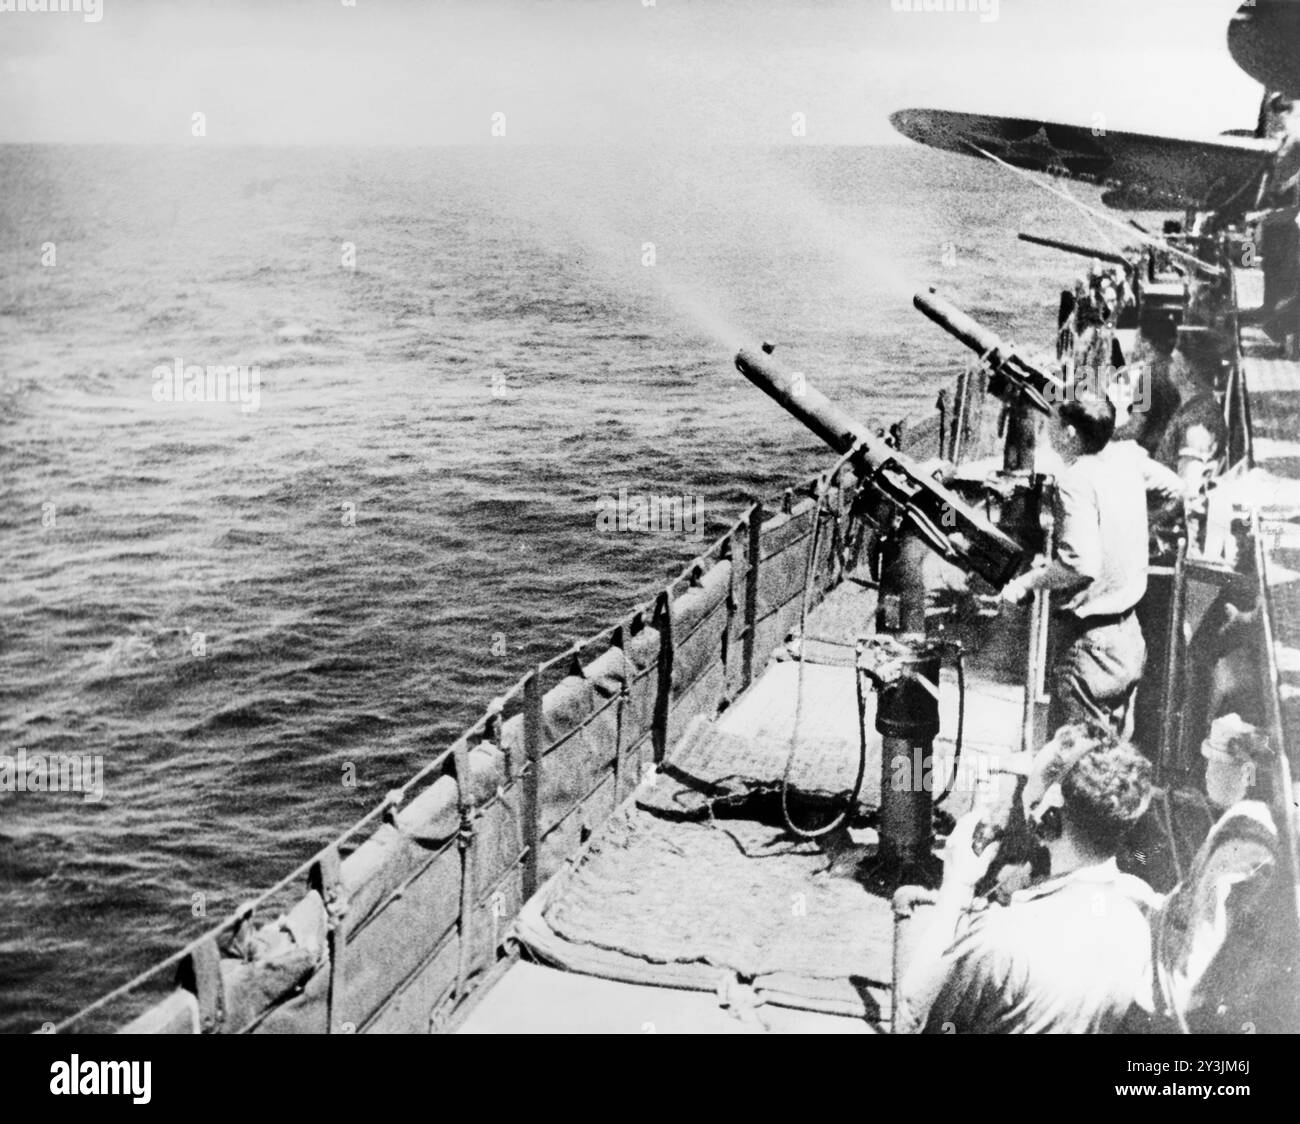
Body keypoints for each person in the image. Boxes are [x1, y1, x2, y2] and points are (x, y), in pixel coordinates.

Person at [895, 723, 1159, 1034]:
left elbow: (917, 1017)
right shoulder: (1138, 920)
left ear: (1049, 813)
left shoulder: (1001, 941)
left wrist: (957, 884)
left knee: (907, 906)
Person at [1002, 391, 1183, 733]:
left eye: (1052, 424)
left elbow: (1080, 565)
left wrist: (1027, 582)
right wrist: (1137, 530)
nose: (1049, 432)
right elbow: (1176, 488)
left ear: (1069, 433)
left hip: (1091, 648)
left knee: (1077, 761)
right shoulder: (1127, 459)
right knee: (1111, 758)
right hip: (1128, 637)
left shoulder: (1075, 480)